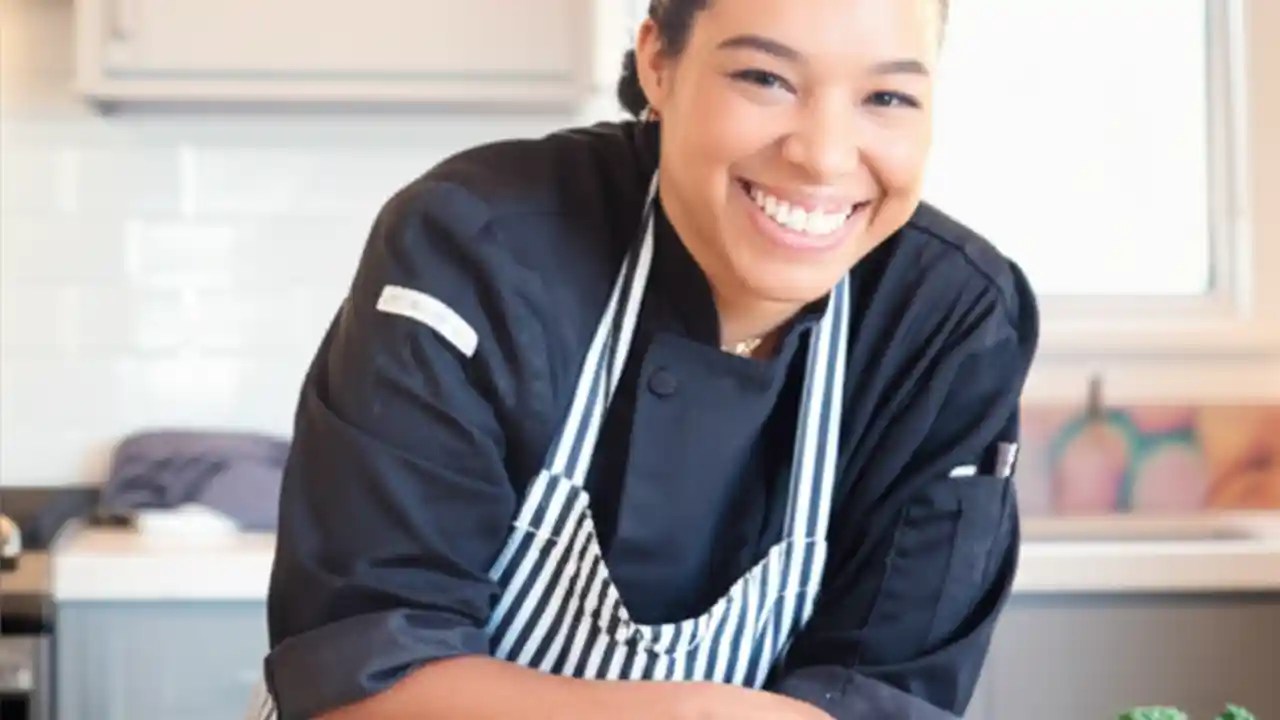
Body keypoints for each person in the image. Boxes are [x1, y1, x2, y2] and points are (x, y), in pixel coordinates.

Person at [256, 0, 1039, 718]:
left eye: (888, 98)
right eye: (765, 77)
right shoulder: (477, 249)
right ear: (658, 62)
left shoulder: (950, 320)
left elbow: (887, 693)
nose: (825, 157)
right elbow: (363, 679)